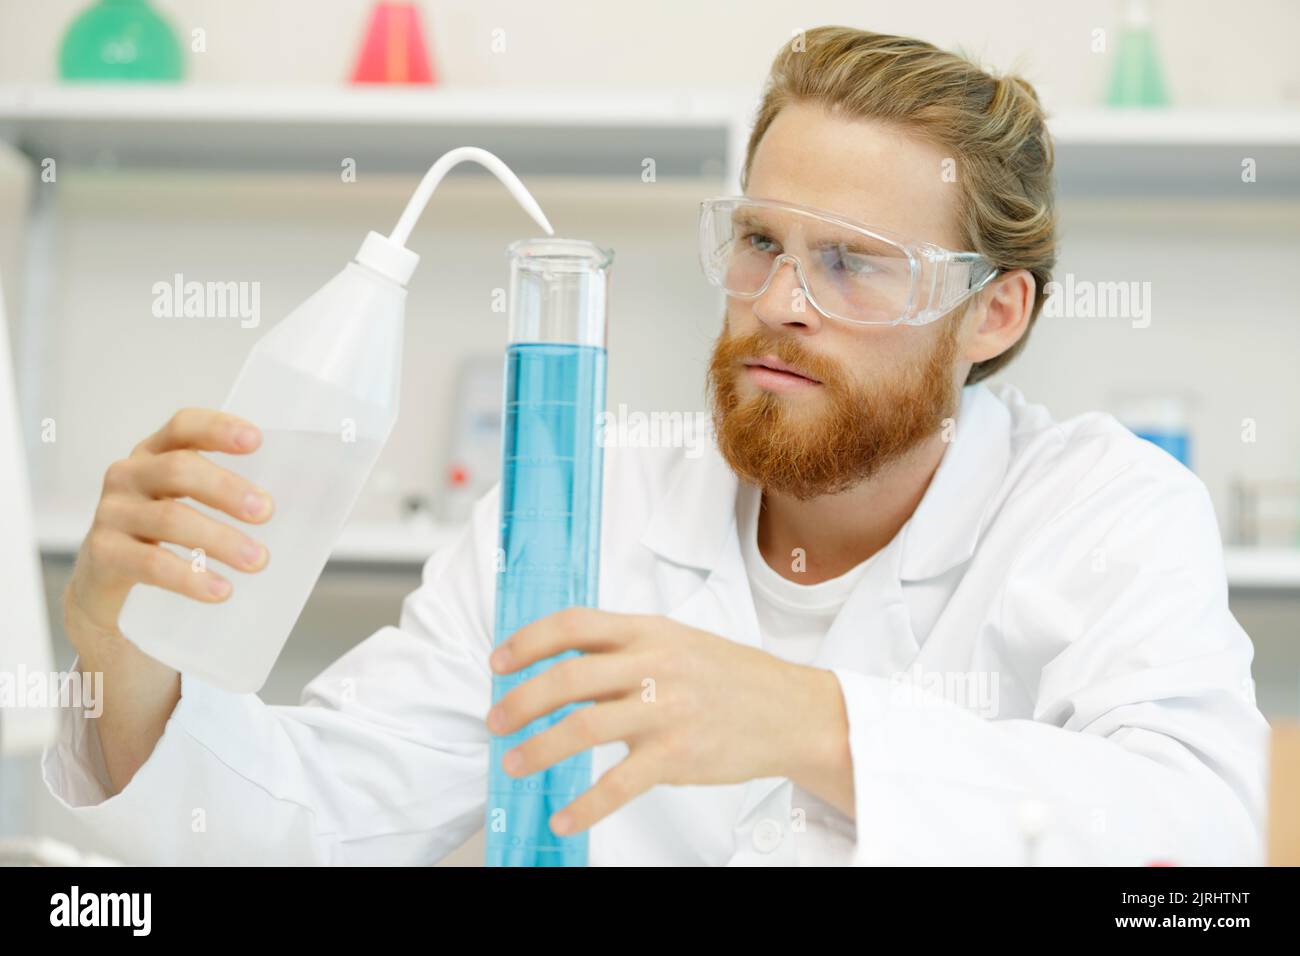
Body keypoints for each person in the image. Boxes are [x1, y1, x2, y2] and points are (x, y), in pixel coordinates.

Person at [43, 26, 1266, 865]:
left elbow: (1197, 851)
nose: (782, 298)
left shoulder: (1107, 511)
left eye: (850, 261)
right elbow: (317, 812)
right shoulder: (585, 504)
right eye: (759, 241)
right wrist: (119, 645)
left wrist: (809, 721)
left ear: (992, 312)